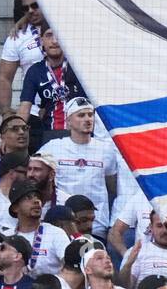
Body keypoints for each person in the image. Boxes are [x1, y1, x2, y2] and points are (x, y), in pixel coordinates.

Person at [38, 99, 117, 238]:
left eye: (90, 115)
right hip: (64, 225)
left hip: (96, 225)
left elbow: (112, 184)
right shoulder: (54, 147)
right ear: (68, 122)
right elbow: (33, 171)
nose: (87, 119)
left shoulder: (106, 149)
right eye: (81, 115)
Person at [17, 31, 82, 151]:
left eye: (58, 35)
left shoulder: (80, 65)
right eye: (49, 36)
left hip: (81, 135)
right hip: (51, 136)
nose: (55, 41)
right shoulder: (35, 71)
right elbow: (24, 108)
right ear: (41, 40)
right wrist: (11, 135)